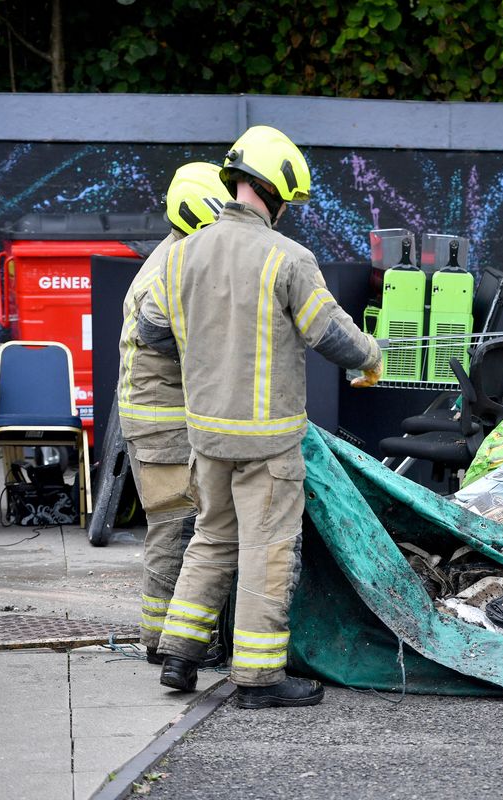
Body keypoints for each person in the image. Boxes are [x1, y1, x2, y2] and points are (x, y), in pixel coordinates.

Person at [138, 125, 383, 709]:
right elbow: (331, 334)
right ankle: (258, 678)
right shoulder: (288, 258)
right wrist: (371, 357)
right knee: (268, 549)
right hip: (267, 445)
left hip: (205, 437)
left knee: (212, 538)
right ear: (273, 191)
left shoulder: (182, 255)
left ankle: (180, 654)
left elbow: (150, 331)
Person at [117, 162, 229, 665]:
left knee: (179, 527)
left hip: (158, 415)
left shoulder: (174, 256)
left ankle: (168, 636)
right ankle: (165, 641)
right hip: (162, 422)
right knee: (174, 528)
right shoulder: (172, 268)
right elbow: (179, 342)